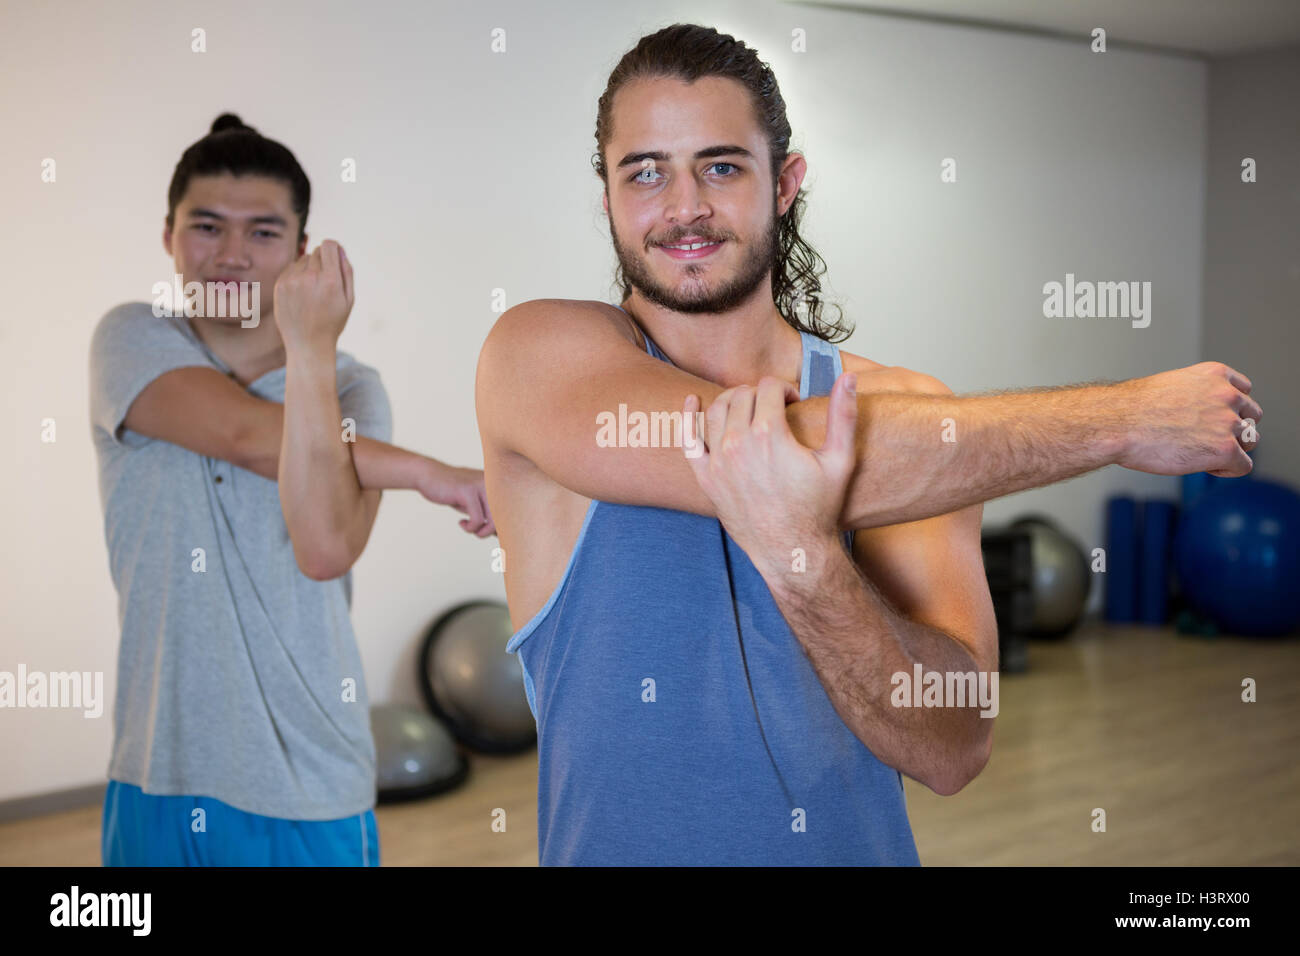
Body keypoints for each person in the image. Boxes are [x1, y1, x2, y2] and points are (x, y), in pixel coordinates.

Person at [474, 24, 1263, 865]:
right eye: (645, 171)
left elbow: (952, 749)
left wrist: (807, 560)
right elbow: (766, 449)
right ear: (607, 197)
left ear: (785, 183)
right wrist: (1122, 419)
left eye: (721, 165)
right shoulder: (535, 357)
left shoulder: (907, 410)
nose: (684, 205)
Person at [89, 113, 492, 866]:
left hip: (308, 779)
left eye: (264, 232)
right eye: (206, 226)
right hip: (156, 767)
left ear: (302, 250)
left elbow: (326, 547)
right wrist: (431, 475)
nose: (233, 254)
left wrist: (311, 347)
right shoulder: (132, 339)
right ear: (168, 235)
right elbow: (245, 435)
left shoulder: (349, 385)